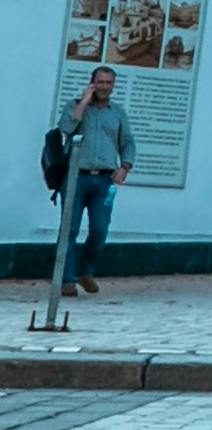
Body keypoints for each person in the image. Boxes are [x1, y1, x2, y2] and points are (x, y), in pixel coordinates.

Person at [45, 69, 134, 308]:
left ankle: (86, 270)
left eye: (109, 83)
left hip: (104, 180)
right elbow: (65, 127)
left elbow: (127, 142)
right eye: (100, 82)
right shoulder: (75, 106)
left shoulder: (117, 113)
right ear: (92, 83)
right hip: (76, 176)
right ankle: (67, 279)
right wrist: (84, 101)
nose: (105, 87)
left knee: (100, 229)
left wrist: (125, 166)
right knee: (69, 229)